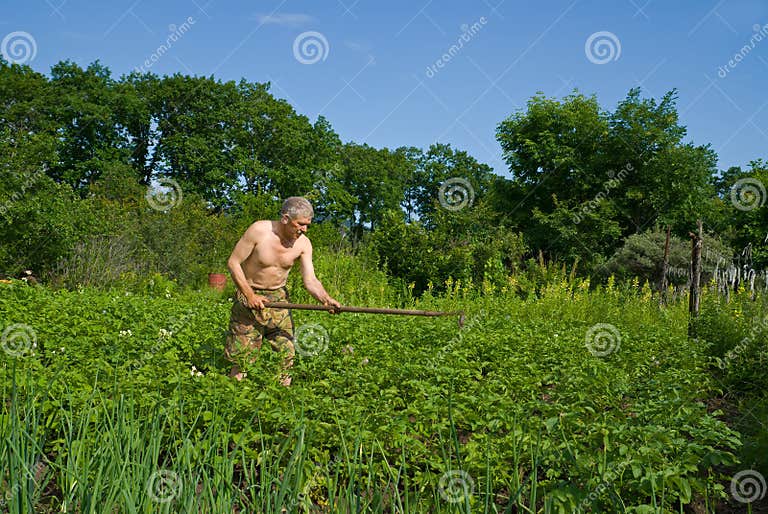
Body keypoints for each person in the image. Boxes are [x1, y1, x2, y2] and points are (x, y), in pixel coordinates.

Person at [225, 197, 341, 386]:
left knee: (286, 355)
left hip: (278, 300)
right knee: (242, 358)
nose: (305, 229)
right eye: (300, 224)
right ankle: (233, 397)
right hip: (249, 297)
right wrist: (249, 295)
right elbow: (233, 263)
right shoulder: (259, 231)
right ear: (285, 219)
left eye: (308, 225)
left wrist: (326, 299)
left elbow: (310, 280)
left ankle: (282, 397)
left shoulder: (303, 244)